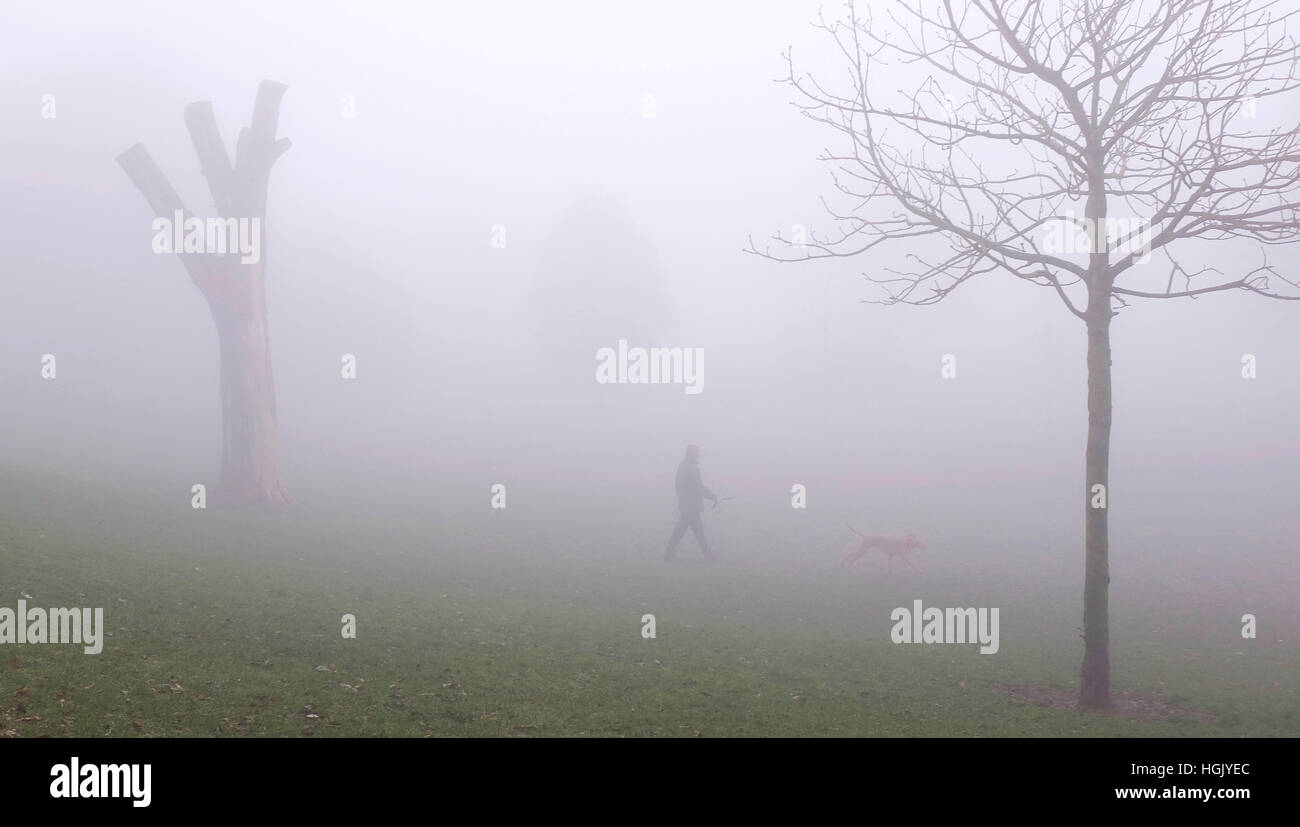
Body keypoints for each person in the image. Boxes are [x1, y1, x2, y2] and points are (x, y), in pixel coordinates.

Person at [665, 444, 718, 561]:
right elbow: (698, 487)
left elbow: (682, 486)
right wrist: (712, 496)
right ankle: (707, 554)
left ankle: (707, 553)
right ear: (692, 453)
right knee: (691, 530)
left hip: (687, 504)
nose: (698, 454)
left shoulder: (684, 466)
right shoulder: (691, 468)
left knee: (691, 530)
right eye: (697, 452)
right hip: (691, 505)